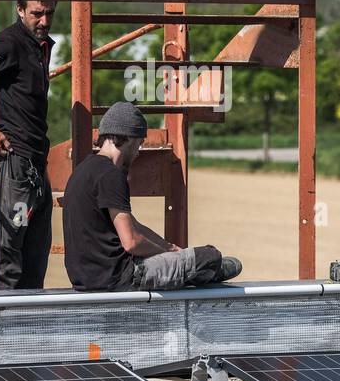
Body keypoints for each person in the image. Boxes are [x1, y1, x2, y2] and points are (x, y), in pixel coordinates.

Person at [63, 102, 242, 292]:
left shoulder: (84, 170)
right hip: (119, 277)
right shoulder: (111, 175)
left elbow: (133, 225)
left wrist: (170, 247)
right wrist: (168, 253)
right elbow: (131, 242)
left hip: (87, 278)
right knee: (209, 257)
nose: (138, 152)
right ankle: (206, 269)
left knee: (184, 258)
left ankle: (192, 271)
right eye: (139, 143)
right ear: (129, 138)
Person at [0, 0, 57, 289]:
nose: (44, 21)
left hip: (36, 167)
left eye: (50, 13)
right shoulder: (7, 44)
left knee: (35, 254)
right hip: (14, 169)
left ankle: (30, 333)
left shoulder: (40, 47)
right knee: (8, 255)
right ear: (19, 9)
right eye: (37, 13)